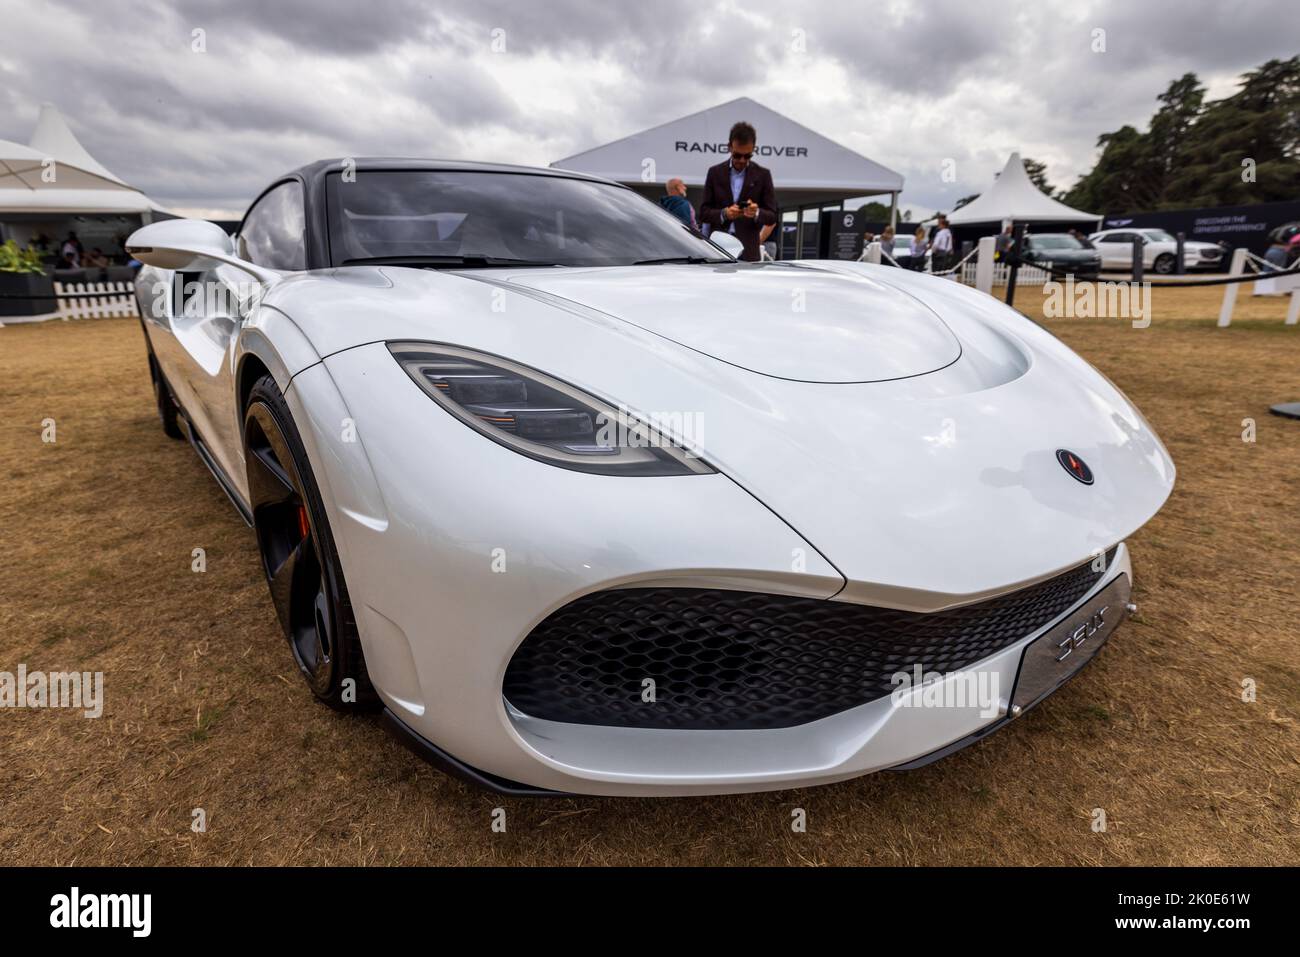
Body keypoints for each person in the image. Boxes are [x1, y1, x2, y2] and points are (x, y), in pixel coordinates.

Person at [699, 120, 778, 262]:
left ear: (754, 149)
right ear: (729, 147)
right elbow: (704, 213)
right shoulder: (714, 173)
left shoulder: (763, 175)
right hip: (718, 249)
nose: (742, 160)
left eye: (747, 156)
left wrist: (756, 212)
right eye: (737, 155)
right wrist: (724, 214)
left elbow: (772, 216)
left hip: (749, 251)